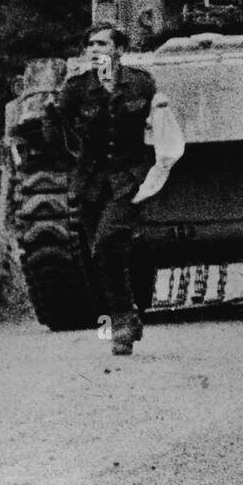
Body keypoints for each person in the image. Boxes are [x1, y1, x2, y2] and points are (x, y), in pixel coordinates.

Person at [48, 23, 157, 356]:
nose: (94, 50)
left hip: (129, 177)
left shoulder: (141, 83)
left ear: (119, 50)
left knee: (109, 240)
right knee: (101, 254)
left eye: (102, 44)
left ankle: (124, 319)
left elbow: (162, 122)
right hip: (92, 183)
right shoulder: (76, 89)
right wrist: (68, 152)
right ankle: (125, 317)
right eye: (90, 45)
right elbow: (54, 131)